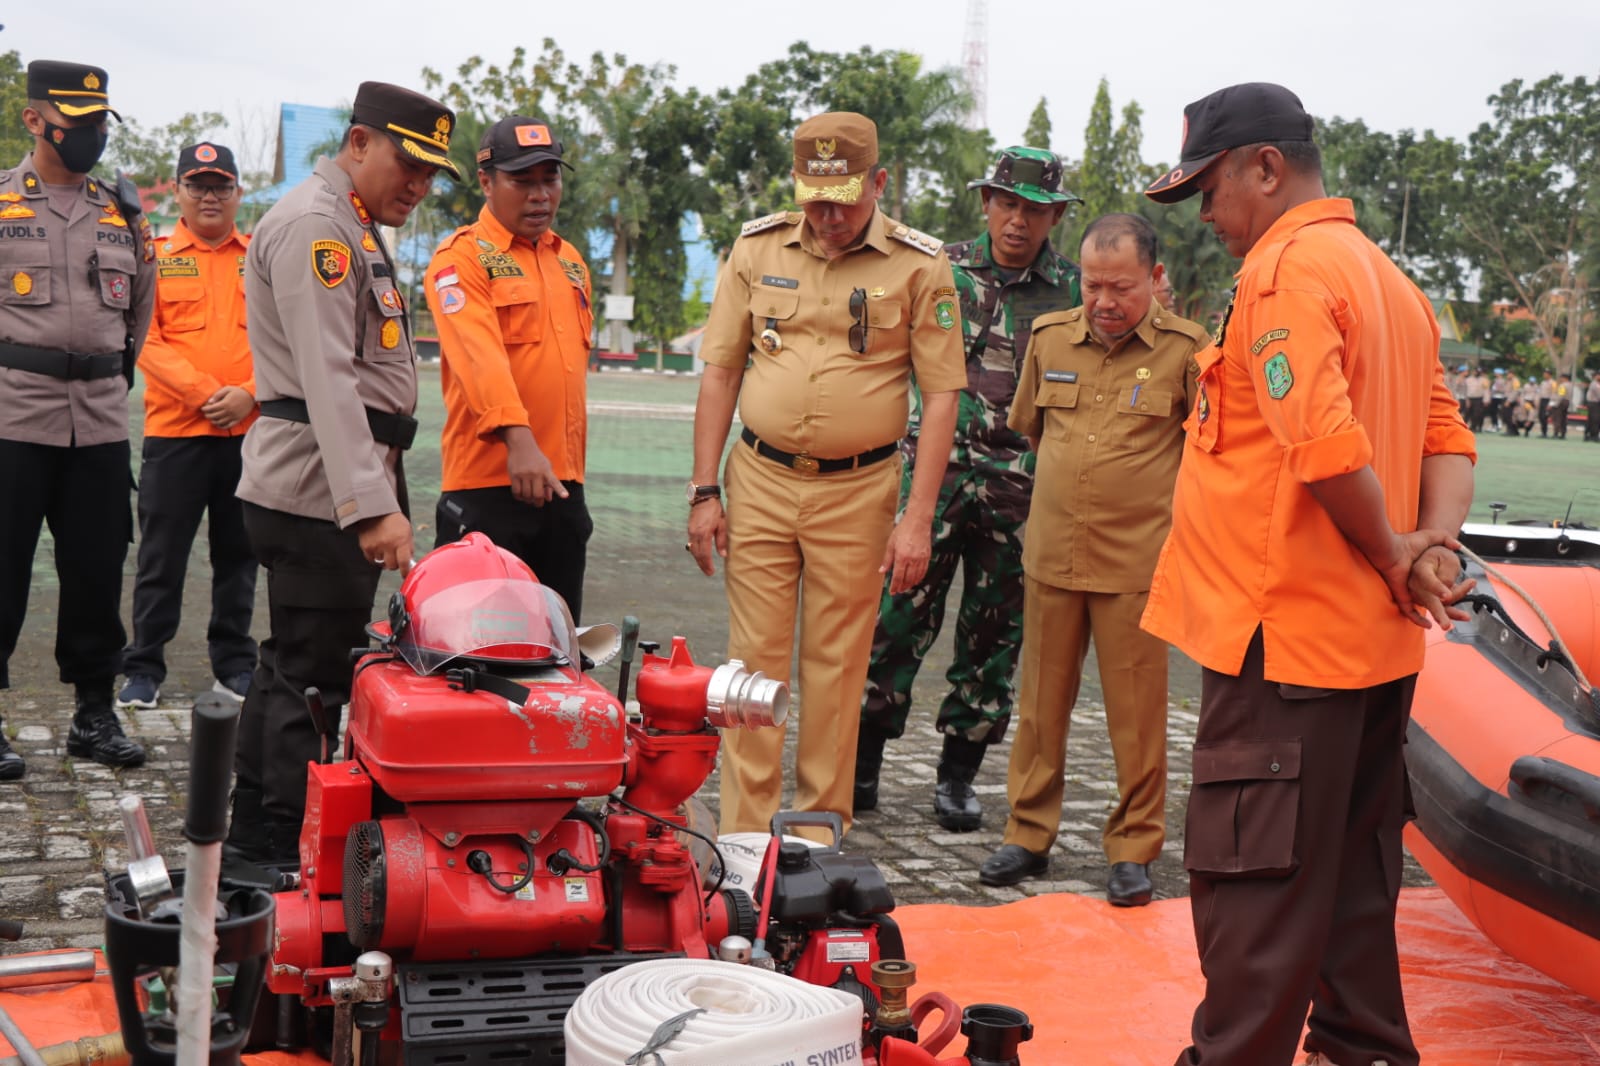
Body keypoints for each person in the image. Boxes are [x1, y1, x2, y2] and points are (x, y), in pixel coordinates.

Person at [1141, 83, 1476, 1066]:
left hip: (1280, 645)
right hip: (1369, 651)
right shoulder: (1386, 277)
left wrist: (1392, 550)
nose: (1204, 213)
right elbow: (1445, 436)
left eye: (1208, 186)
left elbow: (1320, 445)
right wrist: (1431, 550)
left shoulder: (1284, 270)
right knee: (1352, 898)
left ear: (1265, 168)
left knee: (1255, 904)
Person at [688, 111, 967, 840]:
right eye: (816, 197)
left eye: (845, 196)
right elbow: (720, 372)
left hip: (859, 490)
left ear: (879, 182)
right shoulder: (756, 248)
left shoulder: (918, 264)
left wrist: (918, 518)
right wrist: (704, 490)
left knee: (837, 671)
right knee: (753, 666)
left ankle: (815, 840)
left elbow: (942, 396)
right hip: (760, 480)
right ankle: (746, 840)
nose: (830, 214)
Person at [225, 82, 459, 864]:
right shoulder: (320, 227)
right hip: (318, 489)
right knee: (317, 675)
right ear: (359, 143)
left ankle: (257, 831)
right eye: (409, 165)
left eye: (432, 175)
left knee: (289, 662)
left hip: (325, 482)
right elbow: (328, 380)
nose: (420, 187)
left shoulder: (348, 223)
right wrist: (370, 507)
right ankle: (288, 848)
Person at [977, 214, 1206, 903]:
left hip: (1136, 567)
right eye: (1092, 284)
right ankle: (1027, 833)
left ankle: (1134, 847)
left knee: (1137, 715)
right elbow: (1033, 429)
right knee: (1040, 708)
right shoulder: (1050, 338)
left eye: (1122, 286)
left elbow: (1204, 456)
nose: (1104, 301)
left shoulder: (1189, 352)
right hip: (1050, 556)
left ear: (1156, 279)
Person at [856, 146, 1080, 831]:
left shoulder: (1070, 290)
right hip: (933, 476)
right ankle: (862, 766)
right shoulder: (938, 268)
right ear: (986, 203)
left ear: (1056, 217)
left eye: (1036, 210)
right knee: (893, 621)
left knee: (993, 639)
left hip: (1020, 490)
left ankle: (957, 777)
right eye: (1008, 204)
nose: (1018, 221)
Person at [0, 60, 154, 781]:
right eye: (75, 120)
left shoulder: (120, 211)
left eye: (98, 121)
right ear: (35, 120)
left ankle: (94, 714)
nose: (90, 133)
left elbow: (140, 313)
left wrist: (104, 378)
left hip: (96, 423)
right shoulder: (1, 202)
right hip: (12, 420)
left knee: (96, 571)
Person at [424, 116, 594, 620]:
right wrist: (519, 442)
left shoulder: (571, 263)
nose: (540, 195)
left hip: (562, 489)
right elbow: (480, 358)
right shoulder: (462, 259)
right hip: (490, 488)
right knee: (476, 654)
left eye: (550, 179)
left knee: (557, 653)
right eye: (523, 181)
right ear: (487, 182)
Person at [117, 142, 257, 711]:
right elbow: (143, 336)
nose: (209, 196)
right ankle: (143, 666)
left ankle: (235, 664)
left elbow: (282, 337)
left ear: (238, 194)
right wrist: (207, 395)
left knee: (240, 556)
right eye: (197, 185)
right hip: (176, 434)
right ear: (177, 191)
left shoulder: (261, 256)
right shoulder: (155, 254)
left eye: (221, 185)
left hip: (250, 435)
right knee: (161, 558)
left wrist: (249, 394)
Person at [1552, 372, 1572, 439]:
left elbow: (1561, 395)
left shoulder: (1563, 385)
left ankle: (1556, 433)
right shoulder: (1570, 385)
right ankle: (1563, 433)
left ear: (1564, 378)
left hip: (1561, 402)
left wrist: (1556, 404)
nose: (1560, 379)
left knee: (1557, 418)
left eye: (1561, 377)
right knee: (1564, 418)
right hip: (1567, 401)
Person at [1538, 369, 1554, 436]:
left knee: (1545, 416)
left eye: (1545, 374)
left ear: (1549, 375)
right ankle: (1542, 432)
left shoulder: (1553, 383)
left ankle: (1545, 433)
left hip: (1548, 400)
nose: (1544, 375)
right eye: (1544, 373)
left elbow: (1553, 394)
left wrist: (1551, 404)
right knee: (1540, 416)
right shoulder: (1543, 383)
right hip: (1542, 400)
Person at [1585, 372, 1600, 442]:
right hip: (1594, 404)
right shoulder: (1595, 384)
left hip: (1593, 403)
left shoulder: (1595, 384)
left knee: (1591, 419)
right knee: (1595, 420)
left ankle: (1588, 435)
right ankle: (1594, 436)